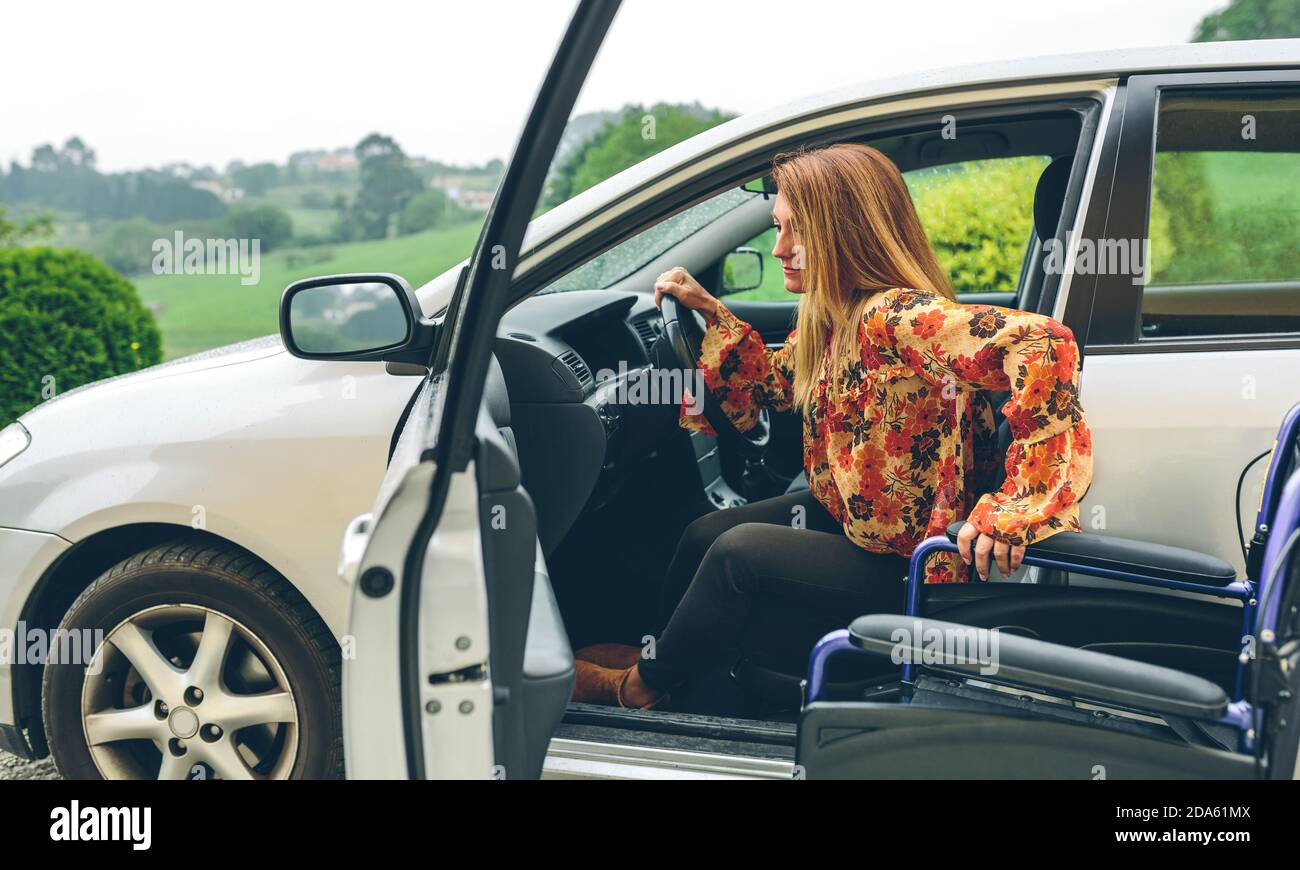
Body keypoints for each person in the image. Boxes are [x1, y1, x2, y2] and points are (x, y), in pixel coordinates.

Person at [572, 143, 1093, 709]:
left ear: (847, 232)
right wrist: (707, 310)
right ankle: (674, 660)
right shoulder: (835, 313)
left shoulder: (891, 316)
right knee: (703, 533)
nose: (780, 250)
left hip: (913, 558)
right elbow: (776, 382)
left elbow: (1045, 345)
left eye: (798, 232)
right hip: (855, 516)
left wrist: (1017, 508)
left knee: (736, 555)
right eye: (778, 229)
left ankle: (641, 689)